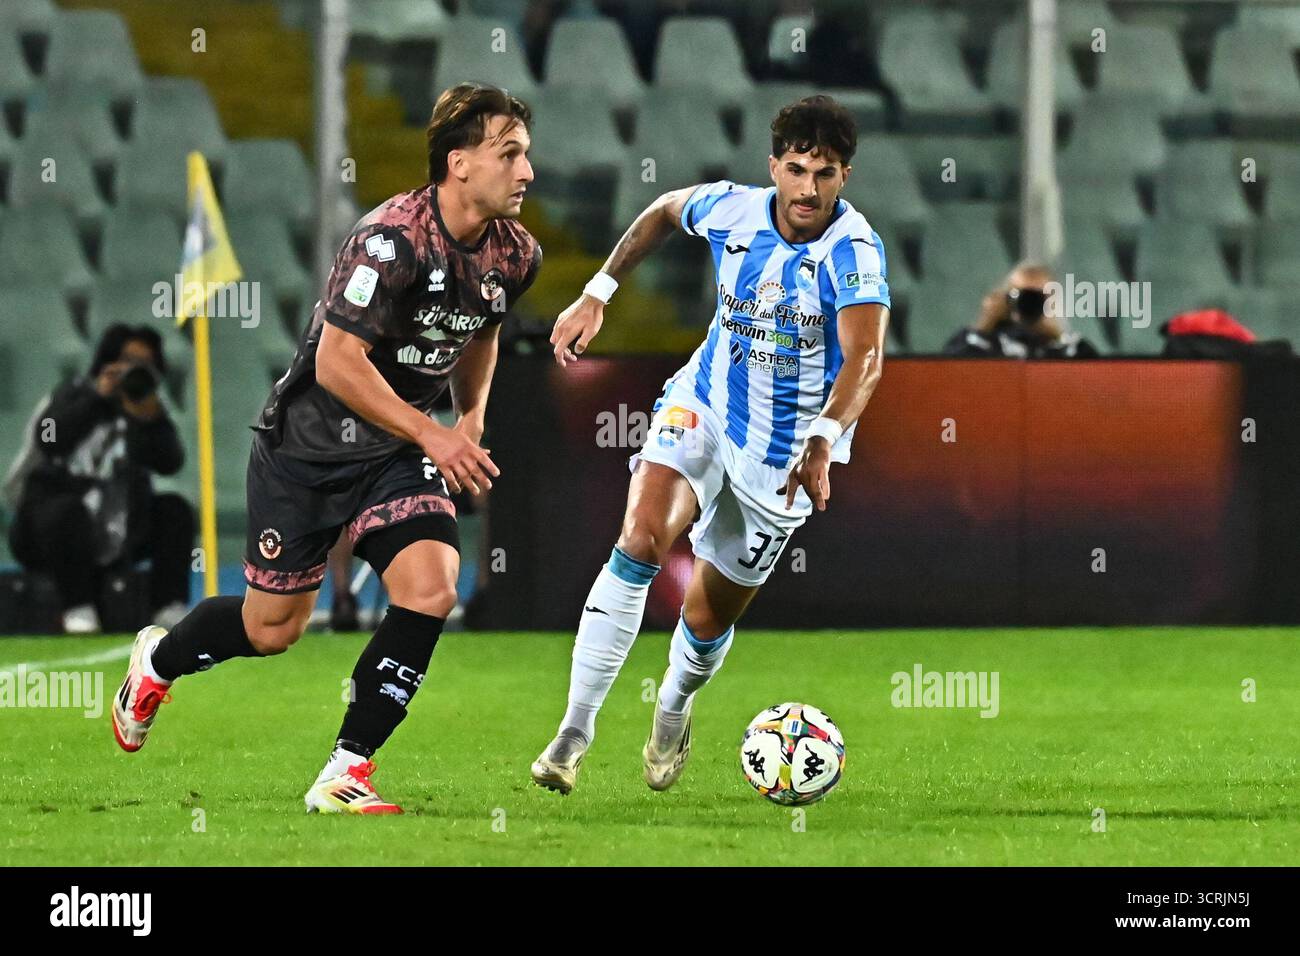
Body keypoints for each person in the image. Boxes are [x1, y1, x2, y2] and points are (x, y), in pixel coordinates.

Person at [111, 83, 542, 815]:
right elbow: (339, 363)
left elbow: (484, 326)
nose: (527, 172)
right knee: (272, 628)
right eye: (510, 155)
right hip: (307, 447)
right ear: (459, 162)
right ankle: (157, 661)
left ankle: (347, 770)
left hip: (394, 451)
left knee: (431, 585)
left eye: (527, 155)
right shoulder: (391, 239)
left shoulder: (514, 253)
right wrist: (434, 430)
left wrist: (469, 416)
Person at [531, 95, 889, 794]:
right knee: (638, 542)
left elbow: (866, 357)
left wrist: (823, 437)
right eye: (795, 169)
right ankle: (573, 733)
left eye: (825, 173)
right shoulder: (732, 210)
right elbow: (665, 210)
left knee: (704, 615)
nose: (807, 189)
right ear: (773, 167)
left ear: (845, 176)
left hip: (784, 456)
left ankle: (673, 708)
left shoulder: (853, 251)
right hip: (704, 405)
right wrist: (597, 292)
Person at [7, 324, 193, 633]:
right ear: (107, 360)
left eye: (145, 364)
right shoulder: (71, 393)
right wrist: (97, 397)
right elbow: (49, 438)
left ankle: (168, 606)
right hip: (45, 530)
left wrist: (151, 420)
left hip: (116, 529)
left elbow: (170, 462)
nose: (135, 369)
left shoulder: (143, 409)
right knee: (65, 511)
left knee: (174, 510)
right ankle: (78, 608)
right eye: (128, 359)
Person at [942, 262, 1099, 358]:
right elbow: (948, 374)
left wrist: (1055, 335)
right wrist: (985, 325)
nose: (1031, 303)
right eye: (1023, 296)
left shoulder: (1073, 348)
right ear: (1006, 298)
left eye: (1040, 297)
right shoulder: (977, 341)